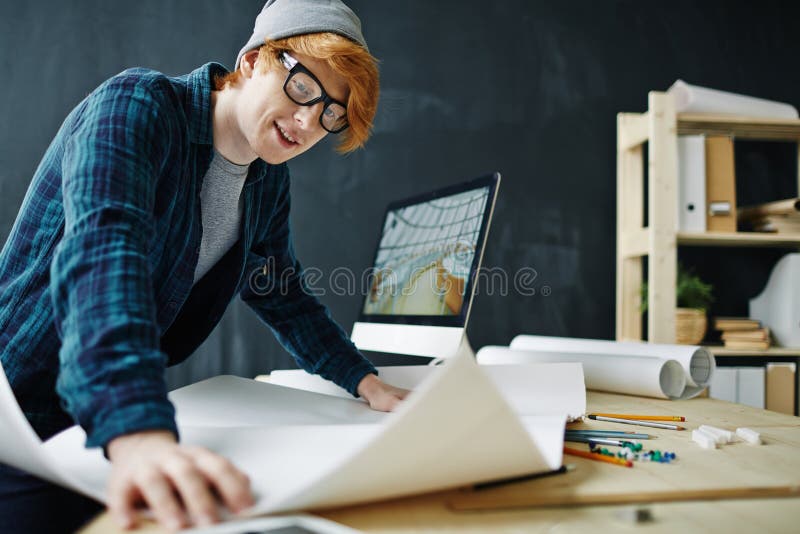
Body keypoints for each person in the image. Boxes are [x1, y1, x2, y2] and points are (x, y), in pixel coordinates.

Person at [0, 0, 407, 531]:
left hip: (97, 422)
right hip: (21, 417)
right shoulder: (137, 105)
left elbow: (281, 293)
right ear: (255, 60)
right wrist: (139, 432)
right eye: (303, 87)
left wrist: (363, 380)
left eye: (331, 112)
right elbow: (103, 256)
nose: (309, 121)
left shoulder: (266, 181)